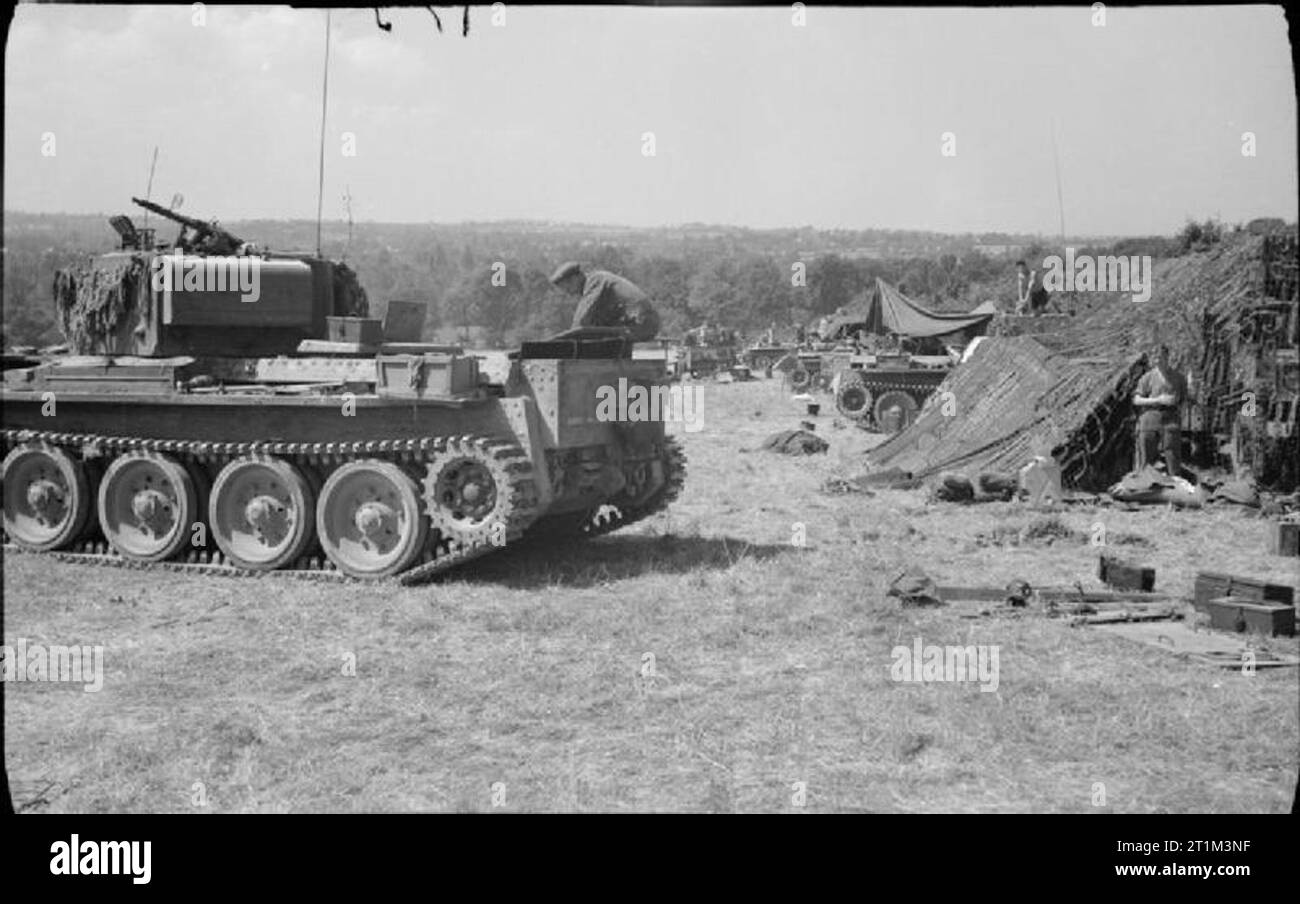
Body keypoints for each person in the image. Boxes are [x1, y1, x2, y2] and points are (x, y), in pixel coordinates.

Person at [549, 262, 660, 343]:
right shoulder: (600, 280)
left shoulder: (595, 281)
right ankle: (619, 373)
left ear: (575, 278)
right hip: (642, 325)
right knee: (597, 331)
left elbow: (581, 321)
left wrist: (564, 341)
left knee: (590, 336)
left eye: (568, 288)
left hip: (639, 325)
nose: (569, 293)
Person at [1133, 344, 1188, 476]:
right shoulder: (1147, 377)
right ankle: (1143, 481)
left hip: (1171, 418)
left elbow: (1184, 400)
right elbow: (1137, 400)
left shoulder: (1179, 378)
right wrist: (1157, 400)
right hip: (1150, 417)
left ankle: (1174, 481)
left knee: (1172, 452)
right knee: (1146, 450)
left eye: (1160, 357)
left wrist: (1181, 413)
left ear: (1167, 357)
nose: (1157, 360)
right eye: (1155, 357)